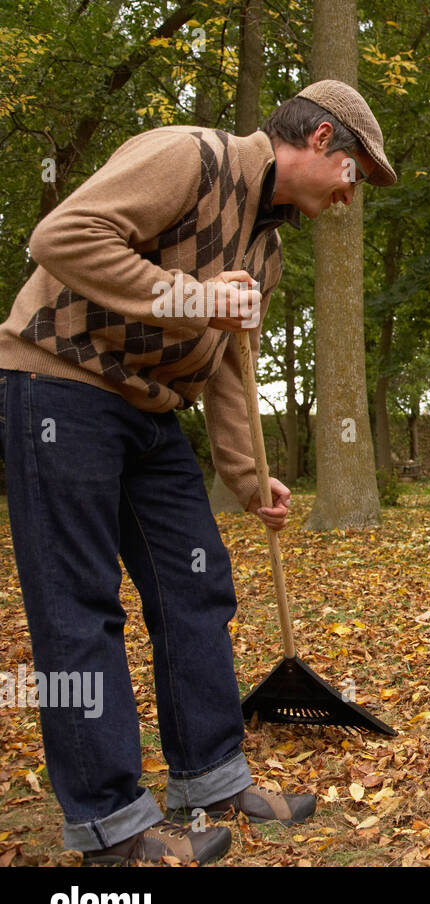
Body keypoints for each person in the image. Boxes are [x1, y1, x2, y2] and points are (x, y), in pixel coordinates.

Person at [0, 80, 397, 864]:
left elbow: (228, 363)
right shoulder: (189, 157)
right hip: (58, 384)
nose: (351, 199)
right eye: (355, 175)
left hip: (151, 411)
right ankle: (111, 823)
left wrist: (250, 479)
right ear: (321, 141)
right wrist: (188, 294)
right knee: (80, 606)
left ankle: (210, 777)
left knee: (198, 582)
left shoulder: (267, 250)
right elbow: (61, 235)